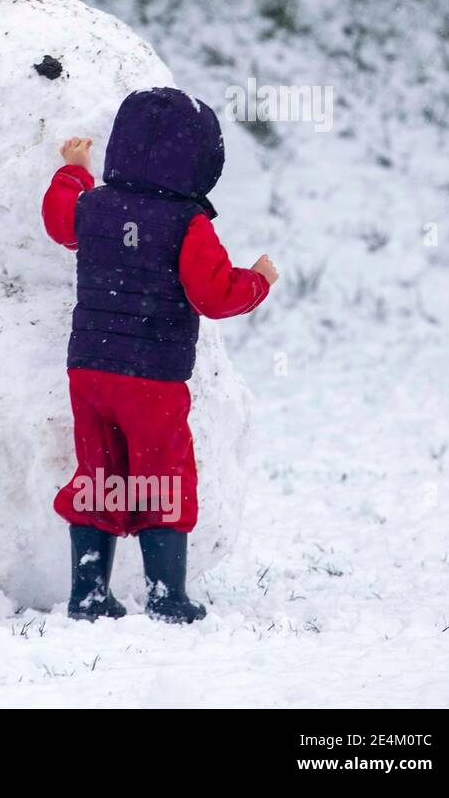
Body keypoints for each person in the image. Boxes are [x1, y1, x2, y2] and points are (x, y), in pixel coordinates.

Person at [41, 88, 278, 623]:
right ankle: (166, 594)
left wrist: (73, 171)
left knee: (97, 469)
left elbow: (58, 221)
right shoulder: (188, 223)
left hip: (90, 368)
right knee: (163, 471)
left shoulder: (96, 206)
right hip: (154, 375)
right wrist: (257, 282)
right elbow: (213, 295)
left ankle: (88, 594)